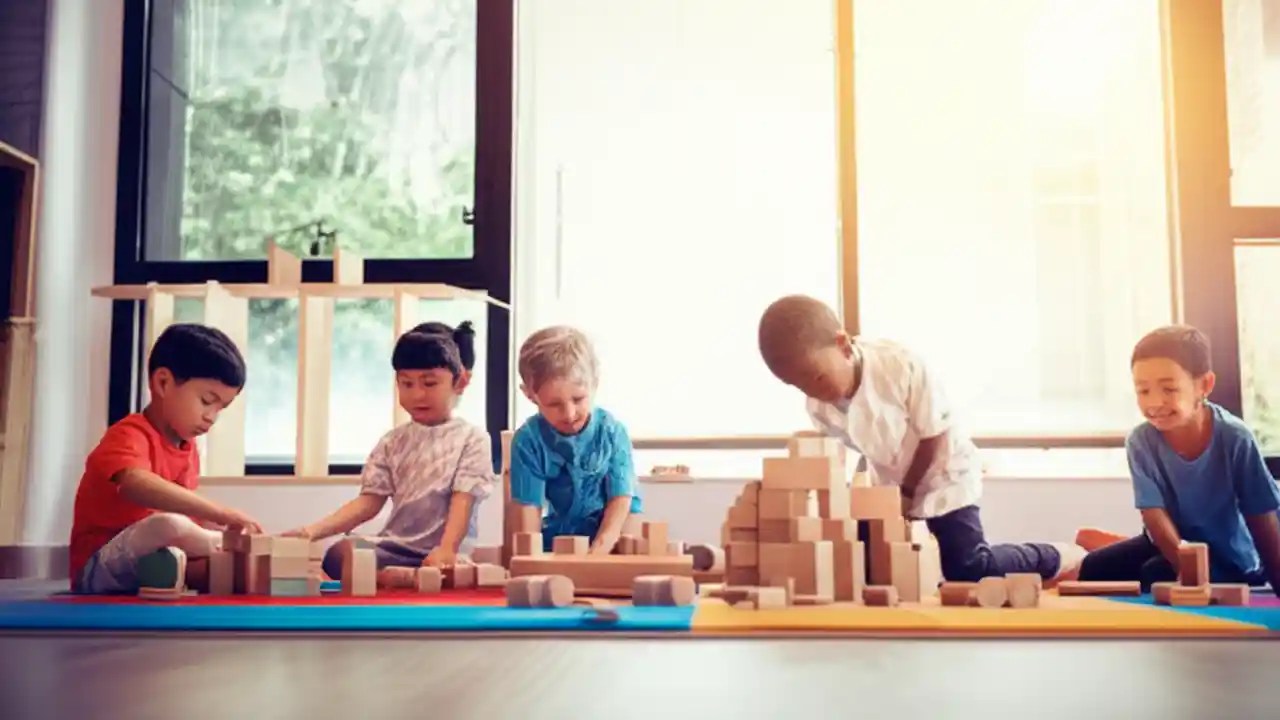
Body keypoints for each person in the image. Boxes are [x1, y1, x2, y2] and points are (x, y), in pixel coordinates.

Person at [756, 294, 1083, 582]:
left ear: (843, 345)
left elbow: (933, 436)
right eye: (798, 386)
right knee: (864, 567)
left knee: (968, 568)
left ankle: (1061, 556)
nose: (813, 391)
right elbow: (850, 459)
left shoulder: (897, 365)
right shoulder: (819, 408)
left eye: (816, 377)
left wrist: (907, 494)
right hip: (890, 487)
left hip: (944, 474)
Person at [1077, 325, 1280, 593]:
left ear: (1204, 385)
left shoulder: (1234, 437)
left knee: (1155, 573)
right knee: (1094, 567)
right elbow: (1154, 515)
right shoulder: (1140, 441)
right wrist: (1188, 570)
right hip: (1170, 544)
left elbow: (1261, 516)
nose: (1155, 403)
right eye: (1143, 391)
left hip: (1228, 554)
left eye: (1169, 389)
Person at [69, 323, 263, 594]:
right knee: (169, 525)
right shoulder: (128, 433)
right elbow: (135, 484)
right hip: (98, 568)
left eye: (221, 408)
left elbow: (187, 518)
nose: (212, 417)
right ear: (163, 383)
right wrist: (222, 515)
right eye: (207, 401)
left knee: (224, 570)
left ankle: (222, 560)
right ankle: (225, 546)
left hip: (158, 557)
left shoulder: (188, 447)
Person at [285, 327, 494, 578]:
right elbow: (368, 502)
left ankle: (400, 578)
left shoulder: (473, 438)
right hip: (394, 548)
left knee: (445, 568)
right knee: (340, 553)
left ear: (459, 382)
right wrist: (309, 532)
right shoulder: (392, 442)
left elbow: (464, 500)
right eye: (407, 383)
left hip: (446, 552)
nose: (417, 394)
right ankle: (400, 577)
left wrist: (447, 549)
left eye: (429, 383)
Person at [509, 326, 641, 554]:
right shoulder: (527, 441)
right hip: (566, 528)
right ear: (530, 394)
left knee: (627, 548)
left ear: (595, 383)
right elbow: (528, 517)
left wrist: (600, 550)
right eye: (554, 404)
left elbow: (621, 499)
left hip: (619, 524)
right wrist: (531, 558)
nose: (569, 415)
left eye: (578, 399)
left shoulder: (611, 431)